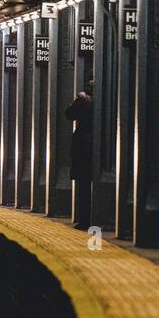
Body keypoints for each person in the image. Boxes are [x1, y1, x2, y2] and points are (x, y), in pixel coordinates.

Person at [65, 89, 93, 230]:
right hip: (95, 148)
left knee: (83, 186)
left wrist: (80, 100)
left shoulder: (84, 99)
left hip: (83, 148)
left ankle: (85, 220)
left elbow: (69, 114)